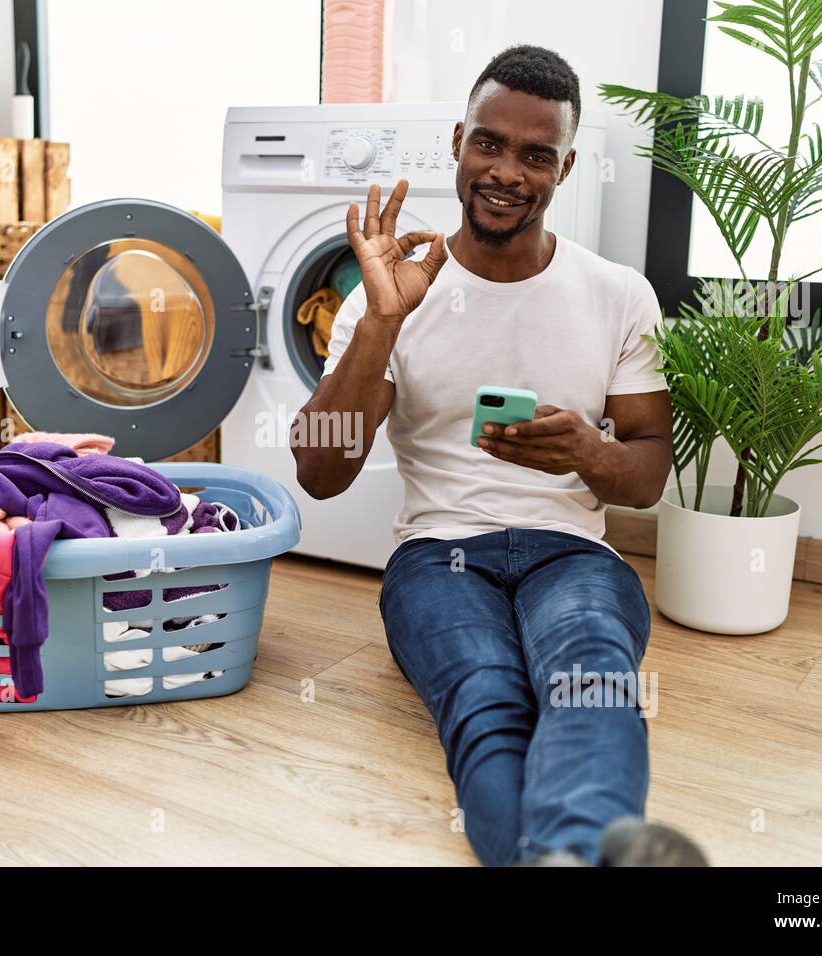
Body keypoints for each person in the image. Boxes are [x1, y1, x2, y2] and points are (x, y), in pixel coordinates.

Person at [292, 44, 706, 866]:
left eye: (536, 155)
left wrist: (588, 453)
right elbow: (321, 472)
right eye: (489, 143)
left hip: (572, 555)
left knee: (590, 677)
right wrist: (381, 324)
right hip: (437, 556)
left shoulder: (618, 294)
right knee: (486, 697)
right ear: (458, 142)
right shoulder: (388, 296)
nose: (507, 172)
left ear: (566, 167)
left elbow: (648, 474)